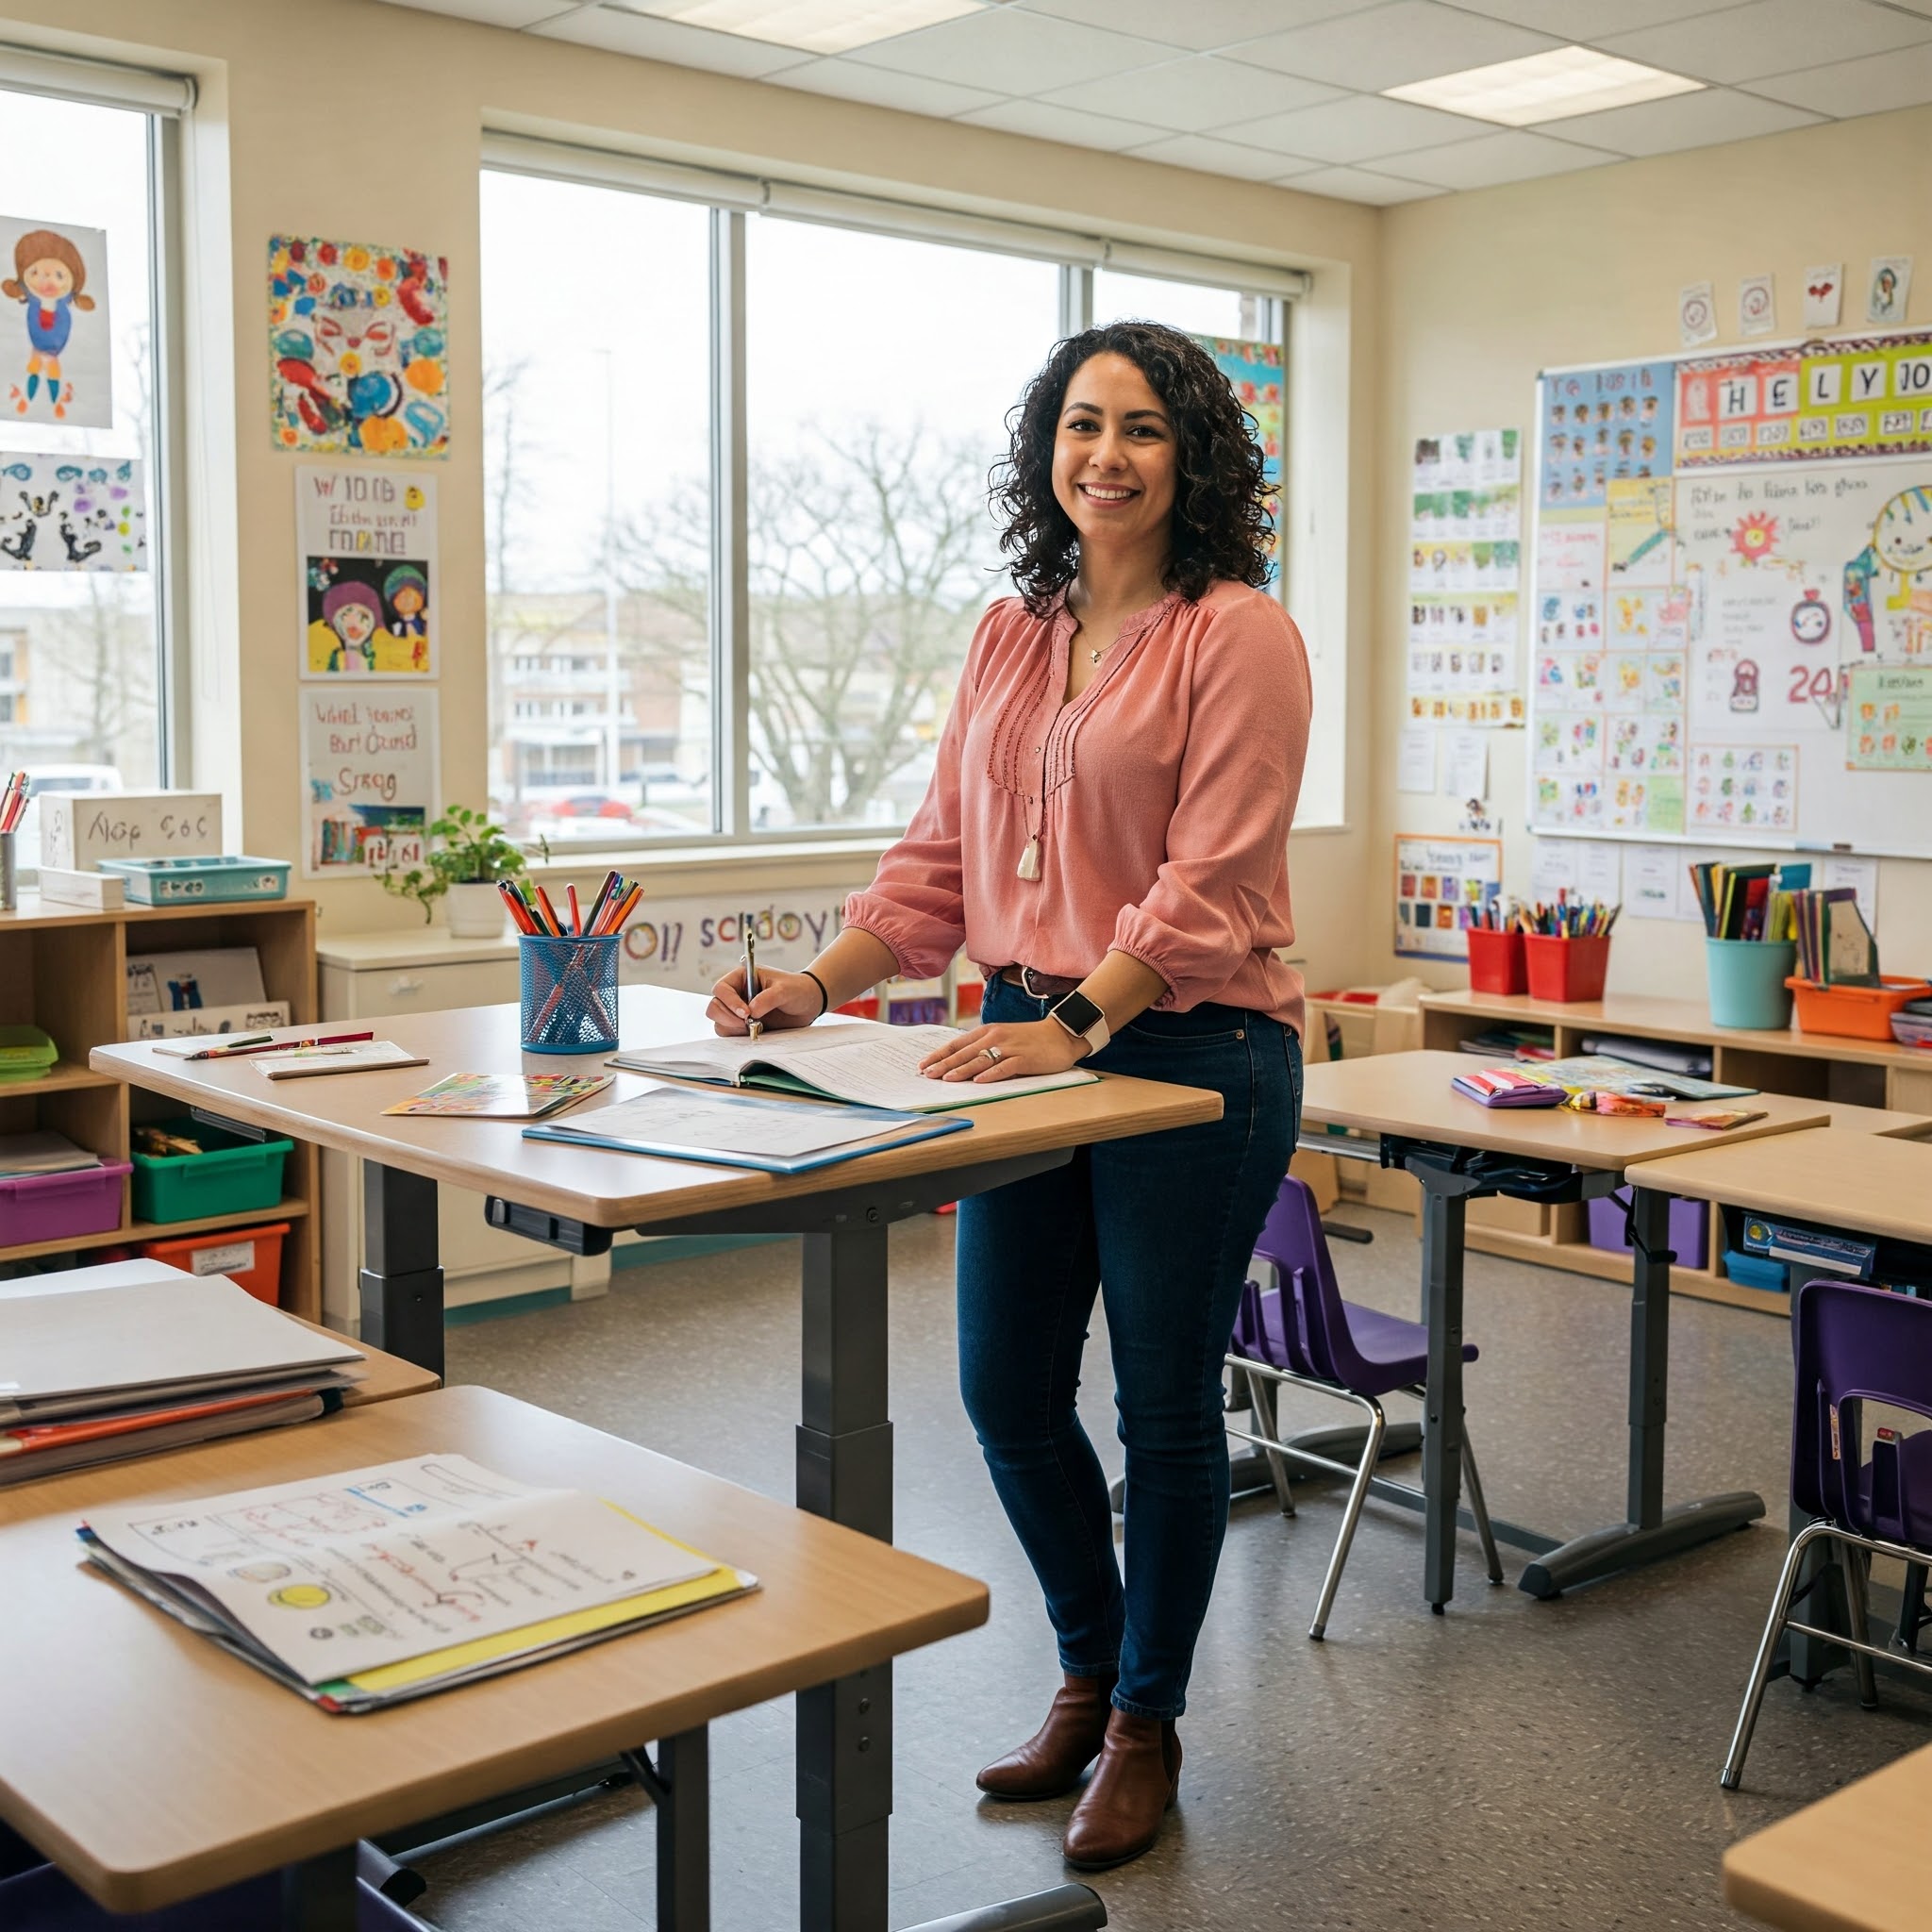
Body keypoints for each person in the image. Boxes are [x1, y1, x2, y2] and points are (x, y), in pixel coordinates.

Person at [708, 321, 1310, 1871]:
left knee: (1160, 1402)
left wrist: (1084, 1020)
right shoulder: (1010, 630)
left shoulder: (1235, 631)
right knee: (1000, 1388)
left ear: (1195, 458)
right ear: (1045, 446)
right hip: (1014, 1026)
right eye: (1078, 423)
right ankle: (1092, 1662)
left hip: (1186, 1045)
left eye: (1140, 429)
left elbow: (1213, 874)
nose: (1102, 454)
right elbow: (932, 861)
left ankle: (1145, 1722)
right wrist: (812, 986)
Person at [3, 228, 96, 417]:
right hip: (37, 347)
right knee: (34, 369)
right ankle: (28, 398)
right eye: (35, 272)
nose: (47, 281)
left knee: (52, 372)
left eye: (59, 275)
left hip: (54, 350)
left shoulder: (64, 304)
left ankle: (55, 402)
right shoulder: (32, 299)